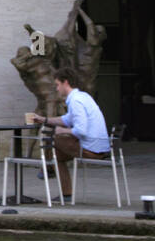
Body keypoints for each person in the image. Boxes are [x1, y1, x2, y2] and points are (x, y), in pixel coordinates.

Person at [42, 67, 111, 202]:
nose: (56, 89)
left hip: (92, 149)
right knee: (58, 156)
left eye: (57, 85)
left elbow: (81, 130)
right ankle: (66, 194)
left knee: (51, 139)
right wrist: (44, 120)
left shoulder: (76, 101)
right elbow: (67, 119)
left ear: (65, 83)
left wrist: (62, 130)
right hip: (99, 147)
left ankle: (47, 167)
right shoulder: (83, 97)